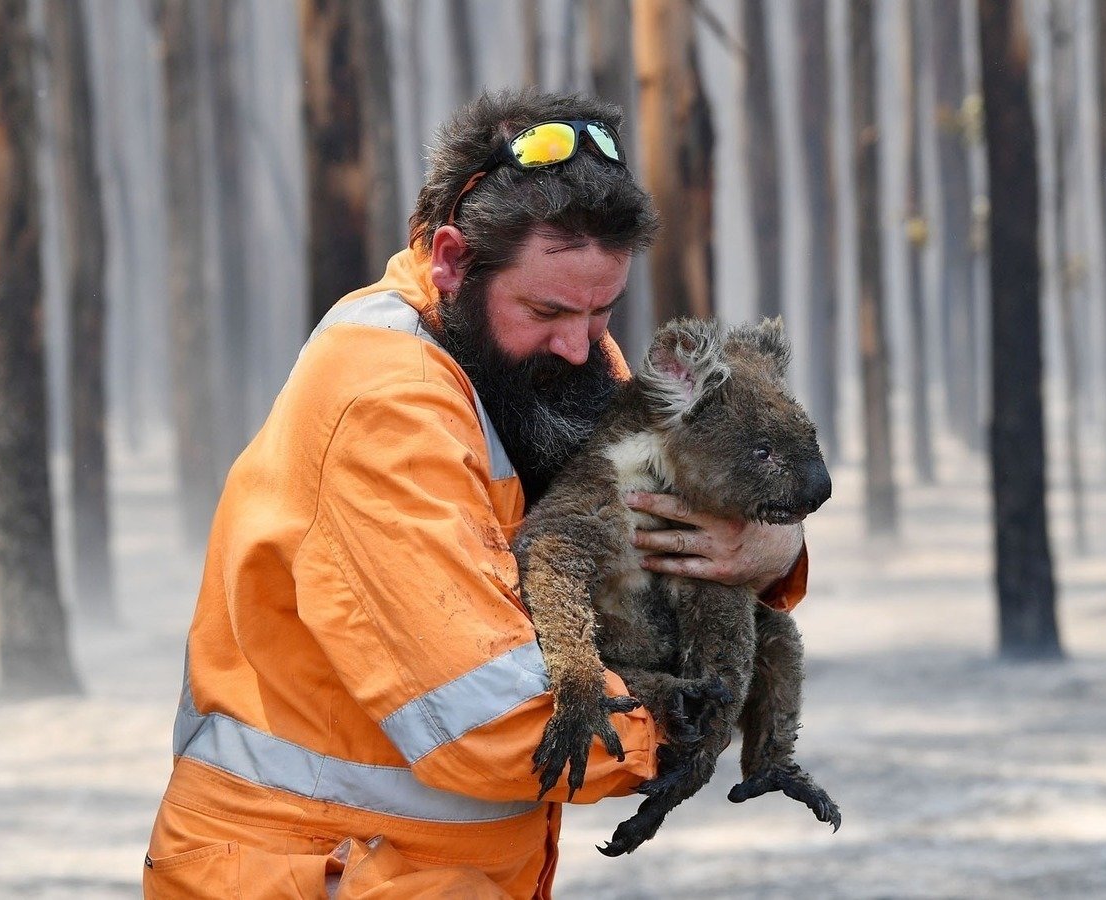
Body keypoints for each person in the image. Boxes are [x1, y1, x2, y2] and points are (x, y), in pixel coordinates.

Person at [142, 90, 811, 899]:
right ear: (453, 262)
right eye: (547, 309)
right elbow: (490, 721)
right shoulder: (385, 407)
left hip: (418, 872)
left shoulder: (548, 361)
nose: (581, 345)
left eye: (604, 311)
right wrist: (692, 717)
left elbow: (679, 508)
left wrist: (773, 549)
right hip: (306, 871)